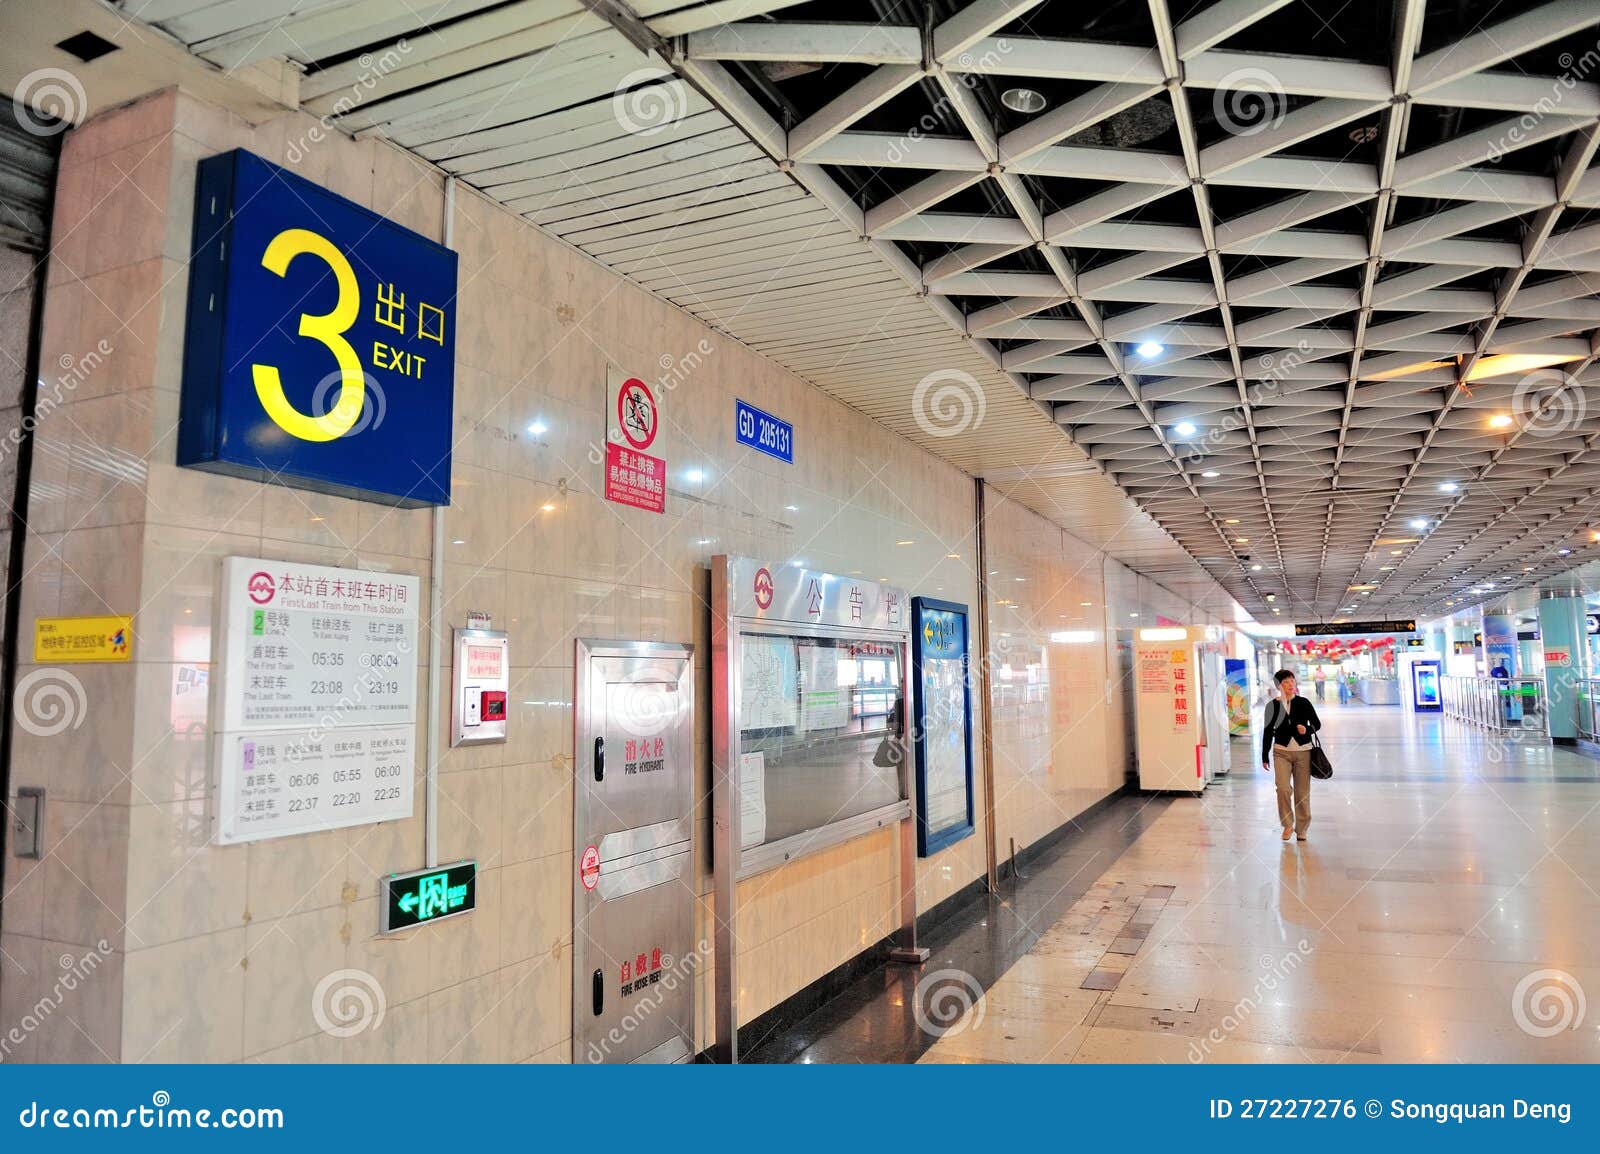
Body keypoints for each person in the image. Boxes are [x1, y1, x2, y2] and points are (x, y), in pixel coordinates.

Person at [1261, 669, 1321, 842]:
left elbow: (1317, 724)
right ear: (1279, 686)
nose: (1290, 685)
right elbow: (1267, 732)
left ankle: (1302, 829)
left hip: (1303, 752)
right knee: (1283, 788)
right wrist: (1264, 755)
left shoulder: (1304, 703)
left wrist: (1307, 729)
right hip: (1281, 752)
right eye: (1286, 682)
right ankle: (1287, 824)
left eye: (1292, 681)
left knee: (1302, 793)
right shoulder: (1272, 706)